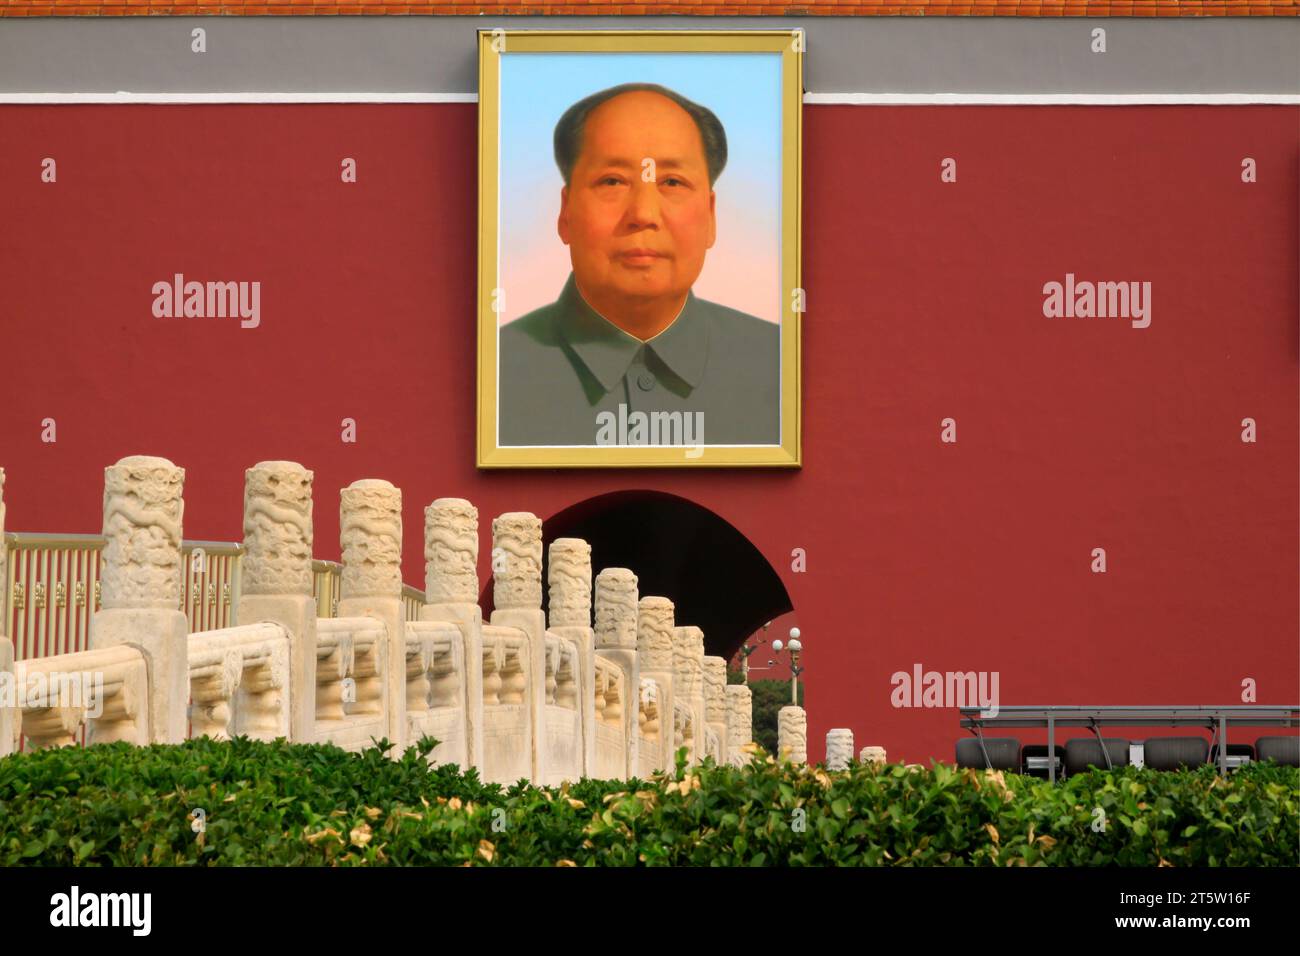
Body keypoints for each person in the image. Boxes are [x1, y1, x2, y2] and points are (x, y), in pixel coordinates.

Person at [499, 82, 780, 448]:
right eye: (613, 181)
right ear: (566, 213)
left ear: (711, 216)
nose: (643, 215)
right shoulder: (494, 370)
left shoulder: (781, 365)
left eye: (673, 182)